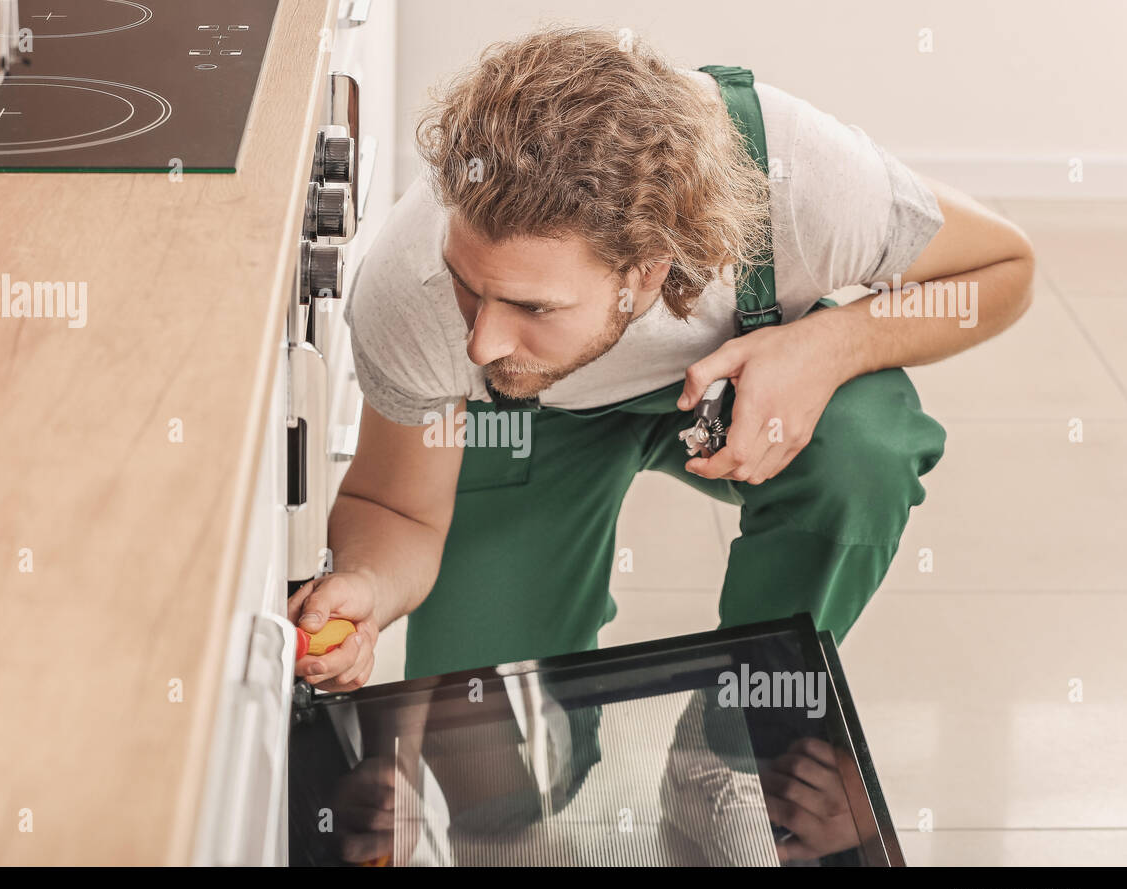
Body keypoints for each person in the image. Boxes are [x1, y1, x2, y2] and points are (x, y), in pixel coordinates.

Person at [286, 26, 1036, 693]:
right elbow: (397, 508)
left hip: (738, 380)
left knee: (864, 451)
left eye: (533, 307)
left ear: (648, 267)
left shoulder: (803, 181)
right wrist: (366, 590)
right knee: (486, 774)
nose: (481, 342)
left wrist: (827, 344)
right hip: (521, 421)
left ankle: (737, 746)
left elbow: (1005, 269)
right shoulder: (409, 285)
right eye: (468, 287)